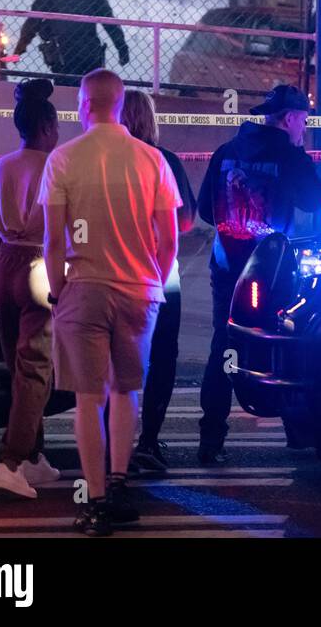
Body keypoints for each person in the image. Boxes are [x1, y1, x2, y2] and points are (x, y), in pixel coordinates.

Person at [39, 69, 180, 536]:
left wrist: (58, 291)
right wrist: (152, 280)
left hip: (84, 287)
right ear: (120, 105)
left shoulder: (63, 159)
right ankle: (120, 485)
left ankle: (96, 501)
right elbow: (169, 239)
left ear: (83, 104)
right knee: (126, 390)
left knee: (87, 397)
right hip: (139, 290)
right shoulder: (151, 160)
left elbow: (53, 240)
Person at [196, 84, 321, 465]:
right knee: (283, 345)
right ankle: (299, 435)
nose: (305, 126)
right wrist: (301, 157)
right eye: (303, 119)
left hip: (226, 266)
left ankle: (211, 439)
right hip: (272, 271)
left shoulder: (226, 152)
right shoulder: (290, 155)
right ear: (290, 119)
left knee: (224, 344)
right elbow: (314, 199)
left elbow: (205, 210)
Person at [0, 79, 62, 499]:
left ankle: (33, 457)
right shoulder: (56, 167)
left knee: (18, 365)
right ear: (47, 126)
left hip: (2, 263)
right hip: (39, 265)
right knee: (35, 368)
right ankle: (10, 461)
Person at [120, 91, 196, 478]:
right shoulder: (164, 161)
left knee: (118, 362)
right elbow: (185, 221)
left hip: (116, 275)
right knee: (162, 357)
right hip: (162, 277)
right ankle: (149, 440)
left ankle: (112, 449)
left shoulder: (105, 161)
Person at [15, 0, 130, 86]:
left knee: (65, 90)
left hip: (63, 52)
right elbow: (109, 22)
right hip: (89, 51)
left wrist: (20, 47)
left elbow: (33, 21)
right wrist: (122, 48)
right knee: (91, 88)